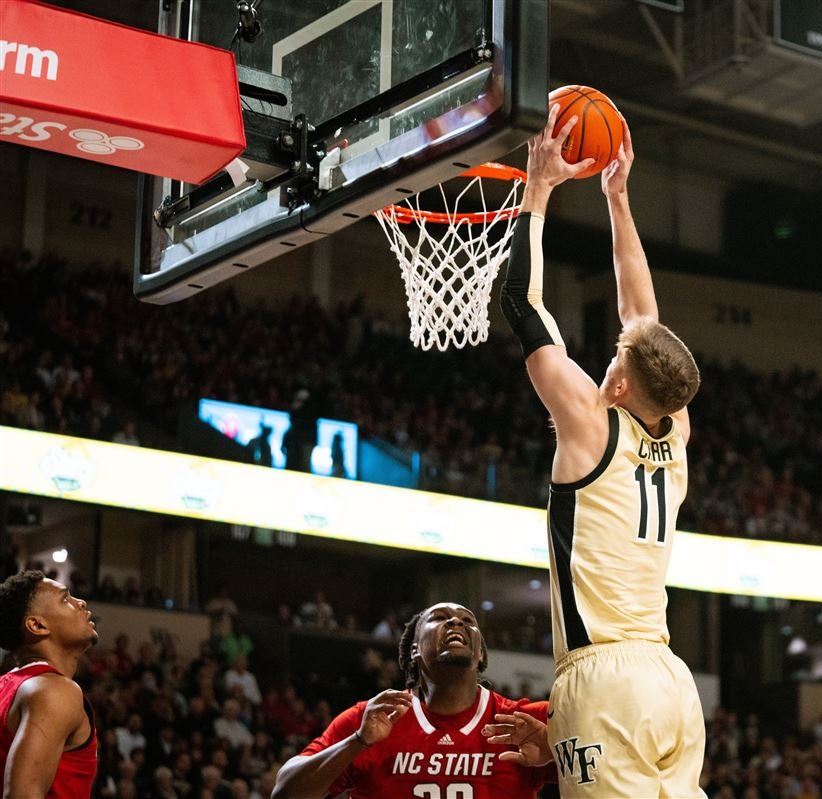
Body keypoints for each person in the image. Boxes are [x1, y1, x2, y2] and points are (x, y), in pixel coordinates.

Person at [499, 106, 705, 797]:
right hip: (672, 683)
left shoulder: (591, 418)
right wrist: (618, 197)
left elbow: (523, 306)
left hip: (606, 679)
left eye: (617, 359)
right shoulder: (674, 430)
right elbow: (643, 321)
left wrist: (540, 185)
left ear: (619, 378)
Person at [272, 602, 553, 798]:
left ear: (480, 654)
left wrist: (555, 751)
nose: (456, 621)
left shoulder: (525, 723)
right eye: (439, 618)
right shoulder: (371, 721)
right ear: (414, 649)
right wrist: (356, 741)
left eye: (468, 621)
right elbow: (286, 792)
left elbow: (597, 777)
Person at [0, 570, 100, 797]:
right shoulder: (54, 690)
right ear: (37, 625)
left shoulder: (6, 688)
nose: (81, 602)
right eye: (65, 599)